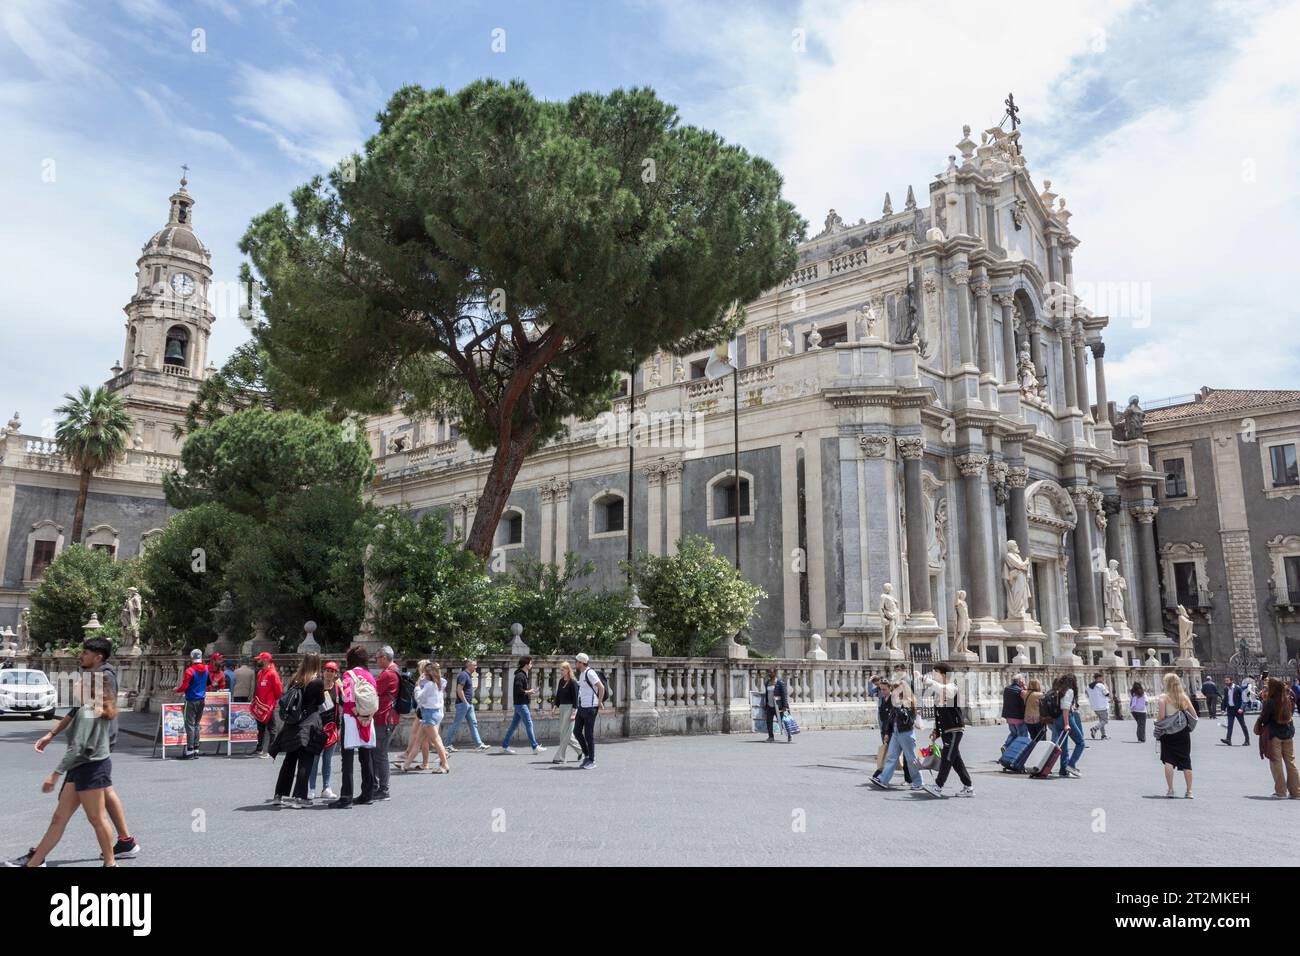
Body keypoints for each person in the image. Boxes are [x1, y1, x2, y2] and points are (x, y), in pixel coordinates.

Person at [34, 637, 139, 861]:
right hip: (93, 747)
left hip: (93, 746)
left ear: (98, 657)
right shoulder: (93, 676)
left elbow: (92, 711)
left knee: (90, 810)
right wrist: (52, 734)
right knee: (103, 794)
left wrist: (56, 771)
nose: (80, 656)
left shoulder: (104, 677)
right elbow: (77, 710)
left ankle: (39, 856)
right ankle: (125, 841)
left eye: (85, 653)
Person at [6, 663, 119, 867]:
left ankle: (111, 863)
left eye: (78, 682)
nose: (74, 684)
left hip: (90, 768)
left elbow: (77, 748)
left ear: (88, 688)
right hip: (84, 768)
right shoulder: (93, 707)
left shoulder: (87, 711)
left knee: (97, 818)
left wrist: (55, 774)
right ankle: (35, 863)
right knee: (59, 817)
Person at [270, 653, 326, 808]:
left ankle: (278, 795)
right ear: (317, 663)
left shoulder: (295, 679)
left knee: (289, 761)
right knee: (305, 761)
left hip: (292, 725)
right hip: (308, 724)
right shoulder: (316, 682)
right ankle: (299, 798)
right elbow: (321, 703)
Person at [869, 677, 938, 796]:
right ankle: (883, 780)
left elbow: (908, 719)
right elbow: (891, 718)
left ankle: (918, 781)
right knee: (891, 757)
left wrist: (898, 707)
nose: (893, 692)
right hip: (896, 732)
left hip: (906, 732)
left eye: (896, 689)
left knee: (911, 759)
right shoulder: (895, 701)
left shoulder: (908, 701)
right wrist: (887, 732)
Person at [330, 646, 378, 809]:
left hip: (352, 719)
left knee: (348, 758)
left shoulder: (348, 675)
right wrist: (367, 717)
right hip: (368, 719)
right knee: (367, 757)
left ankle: (346, 796)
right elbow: (374, 700)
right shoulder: (370, 676)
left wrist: (358, 716)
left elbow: (348, 699)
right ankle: (368, 794)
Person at [924, 663, 972, 797]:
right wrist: (936, 731)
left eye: (936, 673)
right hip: (945, 729)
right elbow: (938, 714)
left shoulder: (952, 687)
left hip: (955, 729)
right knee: (956, 760)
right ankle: (968, 786)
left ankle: (938, 786)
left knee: (947, 758)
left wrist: (927, 681)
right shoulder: (939, 692)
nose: (933, 675)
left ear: (944, 674)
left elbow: (944, 689)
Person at [1255, 678, 1299, 799]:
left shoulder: (1270, 701)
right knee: (1291, 763)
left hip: (1274, 734)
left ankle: (1280, 791)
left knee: (1276, 762)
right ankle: (1296, 792)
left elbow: (1264, 718)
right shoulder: (1288, 698)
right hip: (1288, 732)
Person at [1155, 672, 1196, 798]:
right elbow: (1194, 715)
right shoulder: (1183, 697)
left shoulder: (1163, 697)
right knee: (1186, 760)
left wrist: (1157, 723)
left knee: (1169, 760)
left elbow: (1161, 716)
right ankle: (1189, 791)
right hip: (1183, 732)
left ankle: (1171, 789)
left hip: (1168, 732)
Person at [404, 661, 450, 773]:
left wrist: (417, 686)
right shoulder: (439, 683)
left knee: (435, 740)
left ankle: (444, 764)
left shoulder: (429, 685)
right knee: (419, 740)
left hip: (429, 713)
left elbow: (419, 698)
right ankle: (406, 764)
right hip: (432, 713)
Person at [871, 676, 912, 785]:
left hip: (899, 731)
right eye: (881, 689)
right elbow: (886, 718)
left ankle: (910, 779)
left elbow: (901, 717)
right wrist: (886, 732)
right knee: (890, 755)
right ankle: (881, 777)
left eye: (884, 689)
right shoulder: (883, 700)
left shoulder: (895, 700)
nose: (882, 691)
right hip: (888, 730)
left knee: (906, 756)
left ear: (890, 688)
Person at [372, 646, 401, 801]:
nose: (376, 660)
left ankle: (383, 789)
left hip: (384, 718)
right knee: (379, 753)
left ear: (384, 657)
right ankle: (378, 787)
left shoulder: (388, 674)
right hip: (390, 717)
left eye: (377, 657)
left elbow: (374, 691)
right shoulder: (396, 670)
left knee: (380, 754)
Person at [308, 662, 340, 801]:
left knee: (327, 760)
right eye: (327, 670)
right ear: (323, 672)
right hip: (317, 728)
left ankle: (326, 787)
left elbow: (345, 704)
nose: (329, 673)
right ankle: (311, 788)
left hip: (332, 728)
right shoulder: (317, 686)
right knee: (314, 759)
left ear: (336, 674)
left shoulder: (338, 689)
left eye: (332, 671)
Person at [501, 656, 546, 755]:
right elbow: (518, 690)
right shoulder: (520, 676)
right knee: (529, 724)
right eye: (530, 663)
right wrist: (529, 691)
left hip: (519, 704)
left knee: (513, 726)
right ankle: (535, 747)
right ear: (526, 665)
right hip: (521, 704)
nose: (531, 665)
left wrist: (529, 691)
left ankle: (505, 745)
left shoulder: (521, 674)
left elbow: (520, 690)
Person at [444, 659, 490, 753]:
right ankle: (447, 745)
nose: (476, 667)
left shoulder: (467, 675)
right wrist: (465, 702)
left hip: (468, 704)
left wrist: (468, 703)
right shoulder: (463, 675)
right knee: (456, 724)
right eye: (474, 665)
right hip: (463, 704)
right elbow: (459, 690)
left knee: (473, 723)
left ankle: (479, 745)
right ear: (469, 665)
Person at [173, 649, 209, 759]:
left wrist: (176, 690)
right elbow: (208, 683)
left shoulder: (190, 670)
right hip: (202, 699)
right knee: (197, 724)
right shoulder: (207, 669)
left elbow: (185, 686)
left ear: (191, 658)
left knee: (190, 725)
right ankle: (196, 749)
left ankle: (190, 750)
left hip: (191, 699)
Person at [398, 659, 433, 771]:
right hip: (426, 711)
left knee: (422, 739)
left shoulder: (424, 680)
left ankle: (408, 760)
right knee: (425, 739)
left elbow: (420, 696)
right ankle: (419, 762)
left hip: (424, 711)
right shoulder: (432, 679)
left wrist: (417, 688)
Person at [573, 653, 603, 769]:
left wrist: (599, 702)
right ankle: (587, 755)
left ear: (581, 662)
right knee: (576, 731)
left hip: (590, 708)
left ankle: (592, 760)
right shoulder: (582, 673)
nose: (575, 663)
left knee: (588, 734)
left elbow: (601, 687)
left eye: (576, 661)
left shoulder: (590, 673)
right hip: (582, 707)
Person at [1053, 674, 1085, 778]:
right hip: (1065, 718)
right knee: (1080, 742)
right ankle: (1071, 765)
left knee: (1064, 745)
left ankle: (1063, 769)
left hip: (1057, 719)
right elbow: (1066, 708)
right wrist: (1067, 724)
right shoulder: (1069, 691)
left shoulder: (1058, 690)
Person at [251, 652, 282, 757]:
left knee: (272, 729)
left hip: (268, 706)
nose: (258, 661)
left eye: (260, 659)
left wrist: (271, 701)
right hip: (260, 706)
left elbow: (278, 690)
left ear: (266, 660)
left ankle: (270, 750)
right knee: (260, 729)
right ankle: (259, 749)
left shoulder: (272, 673)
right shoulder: (260, 673)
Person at [552, 661, 583, 764]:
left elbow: (575, 699)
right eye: (560, 670)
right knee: (564, 733)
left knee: (567, 733)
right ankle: (581, 750)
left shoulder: (573, 682)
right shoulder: (561, 681)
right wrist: (555, 706)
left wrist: (574, 712)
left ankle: (560, 757)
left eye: (562, 670)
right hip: (562, 708)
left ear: (568, 670)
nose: (561, 671)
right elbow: (558, 695)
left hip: (570, 708)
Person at [1000, 674, 1028, 752]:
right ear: (1020, 681)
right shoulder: (1021, 691)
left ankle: (1006, 746)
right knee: (1022, 735)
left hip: (1009, 717)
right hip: (1019, 717)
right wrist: (1025, 688)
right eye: (1023, 680)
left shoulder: (1007, 689)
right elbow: (1027, 699)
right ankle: (1019, 752)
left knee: (1013, 733)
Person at [762, 668, 791, 742]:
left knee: (782, 721)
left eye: (771, 672)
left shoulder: (780, 682)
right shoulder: (767, 682)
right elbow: (767, 694)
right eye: (768, 673)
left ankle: (789, 735)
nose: (769, 674)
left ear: (774, 673)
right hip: (769, 705)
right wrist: (765, 704)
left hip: (778, 706)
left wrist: (785, 706)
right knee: (769, 721)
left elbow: (784, 694)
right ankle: (771, 736)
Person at [1222, 676, 1249, 746]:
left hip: (1238, 710)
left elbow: (1244, 698)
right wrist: (1223, 709)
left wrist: (1242, 708)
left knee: (1243, 725)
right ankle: (1228, 739)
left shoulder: (1238, 688)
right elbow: (1225, 699)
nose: (1226, 682)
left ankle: (1247, 740)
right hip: (1230, 710)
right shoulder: (1226, 689)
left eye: (1227, 681)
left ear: (1231, 681)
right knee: (1230, 725)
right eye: (1225, 681)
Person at [1087, 674, 1111, 740]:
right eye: (1102, 678)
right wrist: (1106, 686)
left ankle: (1103, 735)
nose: (1103, 679)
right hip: (1102, 706)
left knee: (1101, 720)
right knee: (1105, 721)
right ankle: (1094, 728)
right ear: (1099, 678)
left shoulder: (1089, 686)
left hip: (1095, 706)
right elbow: (1107, 694)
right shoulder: (1100, 685)